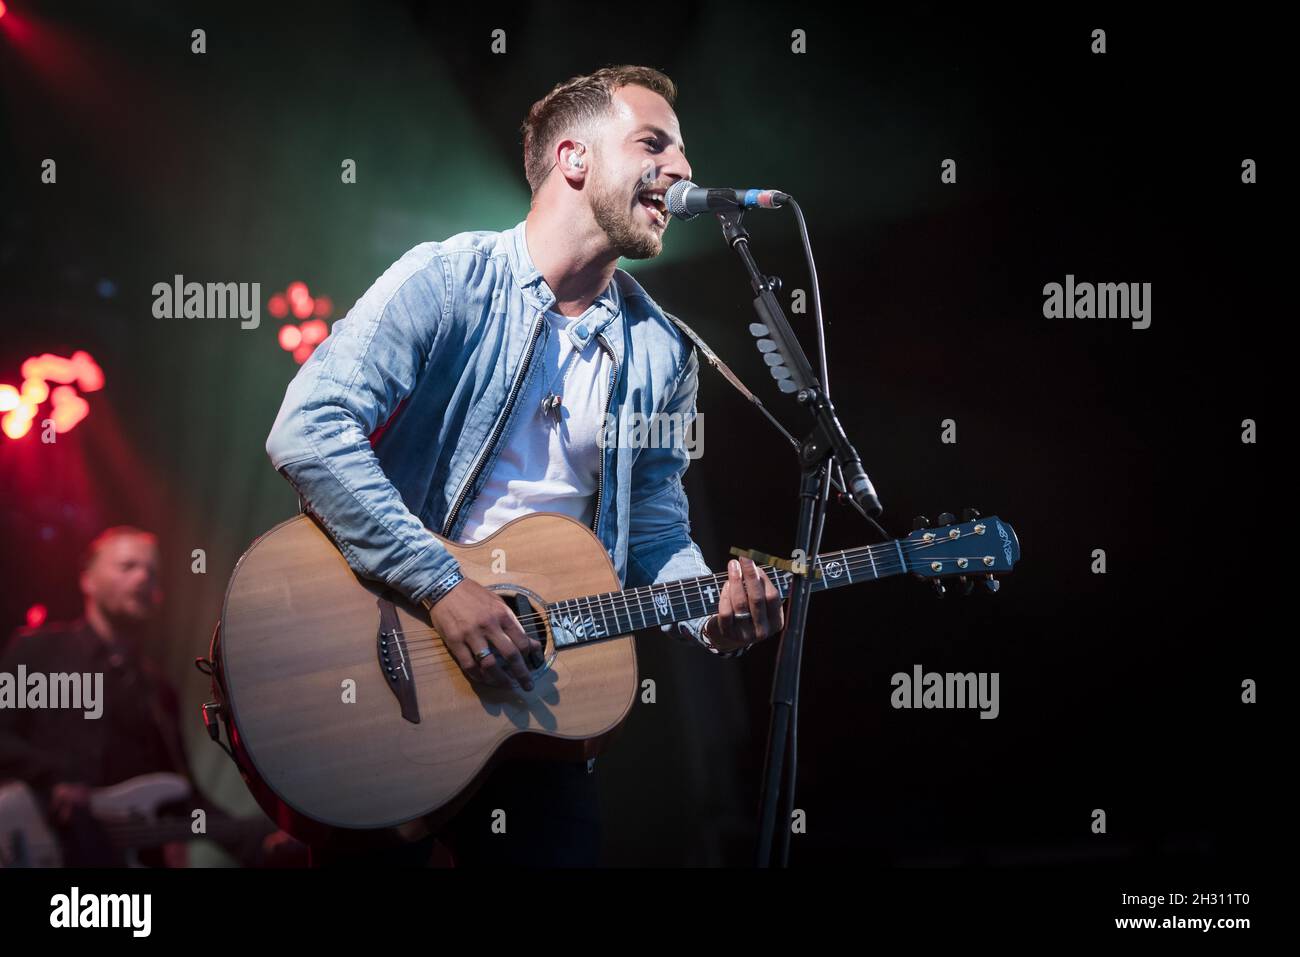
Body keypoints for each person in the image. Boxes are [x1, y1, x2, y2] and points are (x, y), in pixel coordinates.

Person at [265, 65, 785, 867]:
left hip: (535, 705)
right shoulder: (445, 281)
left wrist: (708, 612)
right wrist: (441, 585)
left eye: (682, 152)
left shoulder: (664, 351)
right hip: (385, 670)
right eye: (655, 144)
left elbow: (653, 526)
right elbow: (309, 428)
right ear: (574, 159)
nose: (683, 171)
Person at [0, 526, 298, 867]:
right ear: (88, 579)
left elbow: (185, 798)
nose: (143, 577)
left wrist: (262, 840)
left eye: (152, 572)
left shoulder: (157, 690)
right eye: (128, 567)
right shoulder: (38, 652)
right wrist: (50, 781)